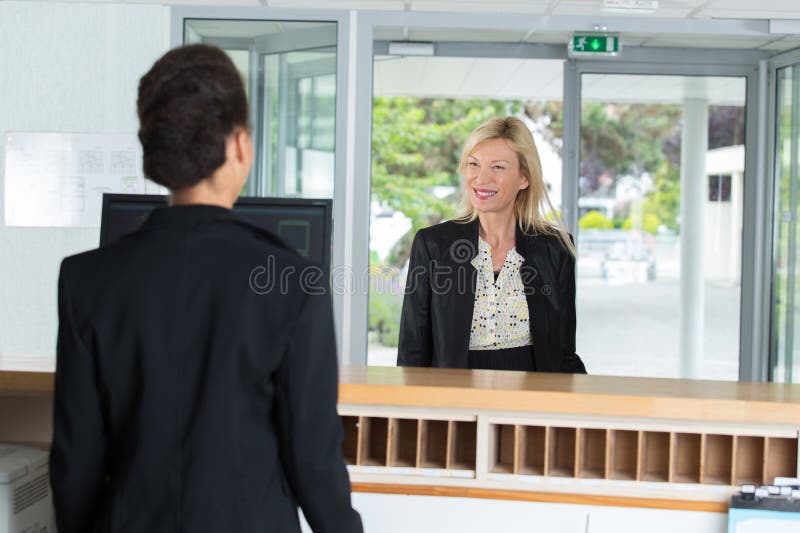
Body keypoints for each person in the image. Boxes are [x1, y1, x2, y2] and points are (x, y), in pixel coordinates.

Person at [49, 44, 363, 533]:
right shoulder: (294, 282)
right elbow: (314, 461)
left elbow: (76, 463)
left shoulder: (85, 280)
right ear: (240, 145)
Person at [397, 116, 586, 373]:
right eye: (473, 164)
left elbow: (563, 352)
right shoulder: (432, 245)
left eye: (497, 167)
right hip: (455, 399)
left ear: (524, 179)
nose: (481, 179)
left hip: (532, 399)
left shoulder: (556, 249)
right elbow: (412, 350)